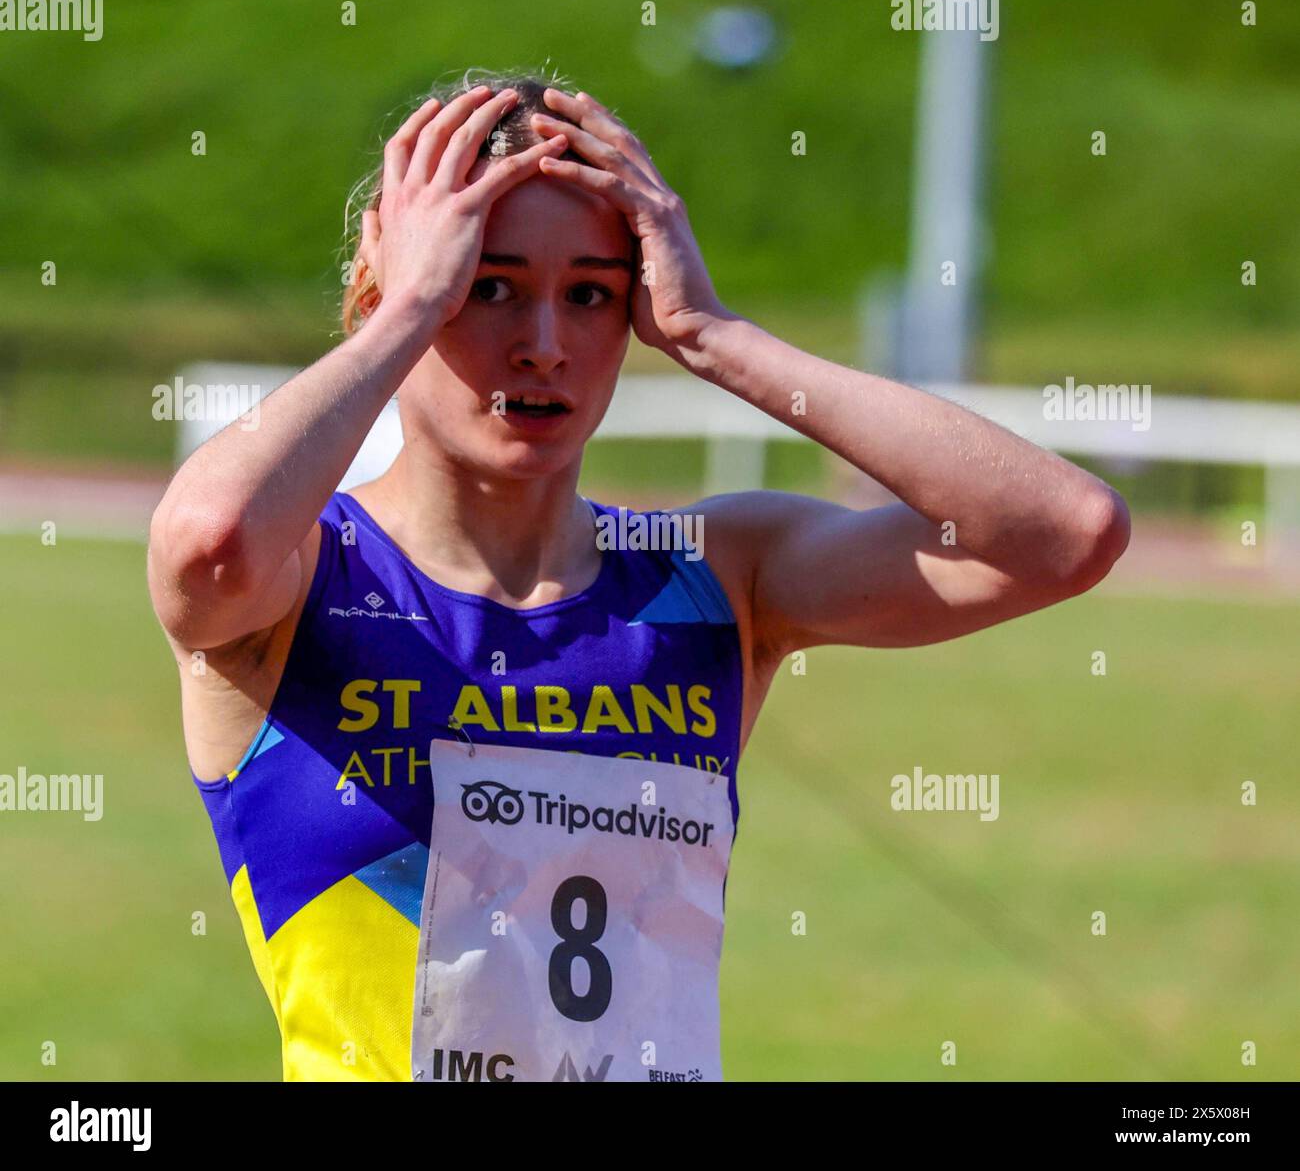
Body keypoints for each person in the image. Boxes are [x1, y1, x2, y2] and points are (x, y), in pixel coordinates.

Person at [146, 68, 1130, 1082]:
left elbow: (1066, 532)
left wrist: (717, 336)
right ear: (392, 281)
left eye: (588, 296)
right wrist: (403, 314)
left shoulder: (710, 579)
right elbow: (206, 544)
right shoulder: (301, 579)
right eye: (485, 285)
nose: (543, 346)